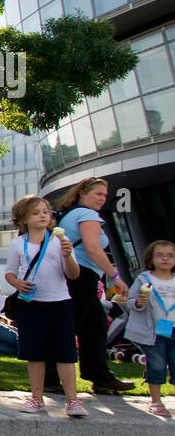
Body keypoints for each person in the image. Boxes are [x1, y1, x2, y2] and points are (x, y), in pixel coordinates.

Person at [52, 178, 134, 394]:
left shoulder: (69, 214)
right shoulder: (87, 215)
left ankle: (100, 375)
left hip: (74, 275)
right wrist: (115, 276)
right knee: (70, 326)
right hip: (82, 277)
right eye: (98, 194)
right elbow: (93, 248)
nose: (102, 199)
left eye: (105, 195)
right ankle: (50, 378)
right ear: (82, 193)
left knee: (95, 324)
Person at [5, 195, 85, 416]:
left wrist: (68, 256)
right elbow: (10, 272)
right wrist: (17, 283)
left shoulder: (60, 241)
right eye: (35, 212)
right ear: (23, 219)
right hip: (30, 304)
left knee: (65, 352)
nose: (42, 216)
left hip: (59, 302)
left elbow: (73, 274)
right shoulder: (17, 244)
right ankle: (36, 398)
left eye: (45, 212)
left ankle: (73, 400)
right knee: (35, 353)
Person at [126, 240, 175, 417]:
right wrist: (139, 302)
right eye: (160, 255)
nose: (165, 258)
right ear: (151, 258)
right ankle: (156, 401)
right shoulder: (144, 279)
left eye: (170, 255)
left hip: (173, 328)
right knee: (157, 365)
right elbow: (130, 301)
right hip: (152, 331)